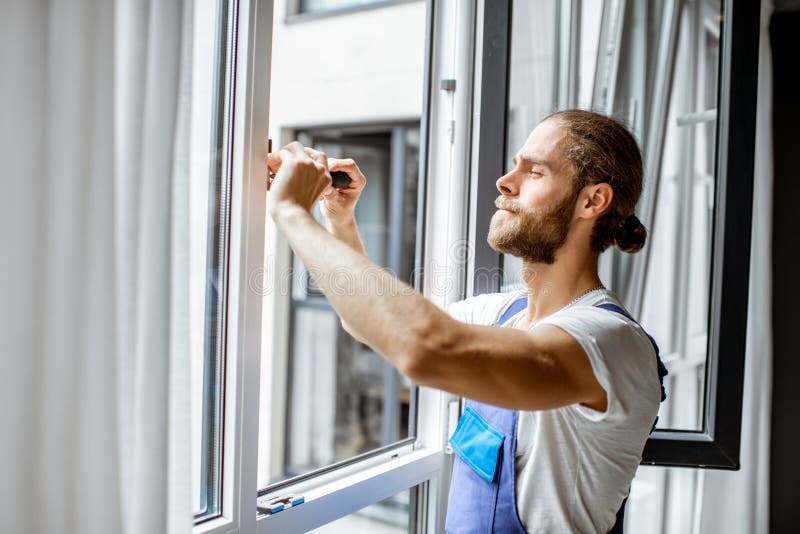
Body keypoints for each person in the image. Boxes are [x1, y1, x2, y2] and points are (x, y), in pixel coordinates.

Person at [266, 109, 667, 534]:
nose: (505, 182)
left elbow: (426, 350)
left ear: (593, 201)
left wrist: (292, 213)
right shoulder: (502, 314)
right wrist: (339, 221)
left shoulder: (610, 342)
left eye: (533, 172)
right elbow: (371, 325)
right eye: (514, 165)